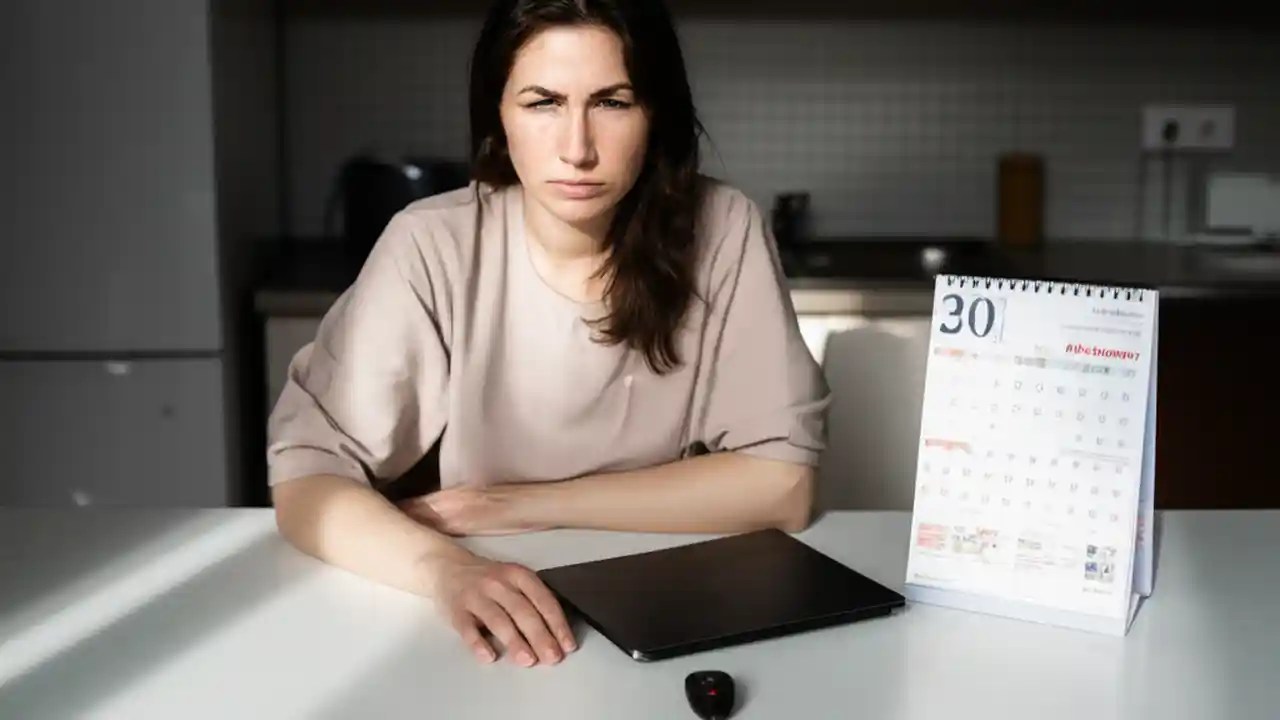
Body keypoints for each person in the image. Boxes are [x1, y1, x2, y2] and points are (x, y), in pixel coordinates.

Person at [266, 0, 830, 669]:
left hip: (663, 589)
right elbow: (306, 481)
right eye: (542, 102)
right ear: (498, 118)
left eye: (612, 102)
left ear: (656, 116)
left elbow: (783, 486)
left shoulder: (722, 229)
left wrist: (517, 506)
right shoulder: (432, 242)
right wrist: (449, 570)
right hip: (489, 598)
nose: (577, 148)